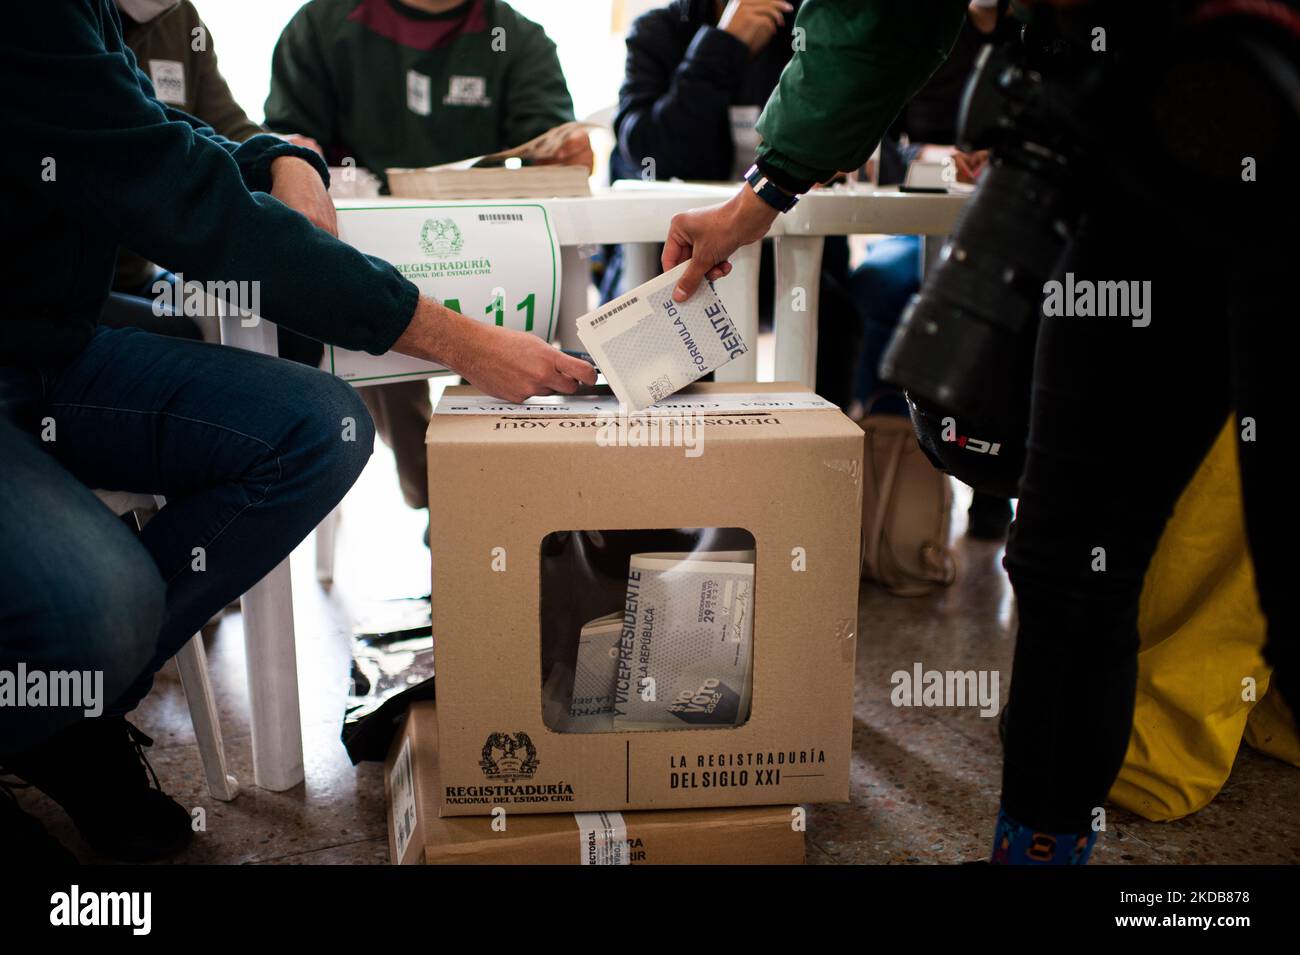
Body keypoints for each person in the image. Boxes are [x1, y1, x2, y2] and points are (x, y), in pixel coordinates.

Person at [661, 0, 1295, 864]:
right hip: (1167, 125)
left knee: (1075, 566)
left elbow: (874, 24)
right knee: (1081, 564)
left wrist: (766, 188)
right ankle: (1041, 842)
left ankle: (1039, 849)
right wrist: (762, 194)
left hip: (1142, 139)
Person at [0, 0, 594, 864]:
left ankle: (62, 713)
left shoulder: (99, 15)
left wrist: (273, 154)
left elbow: (159, 129)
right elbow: (185, 198)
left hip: (56, 343)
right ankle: (56, 695)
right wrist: (459, 338)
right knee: (105, 604)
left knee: (318, 424)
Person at [264, 0, 593, 527]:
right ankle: (453, 500)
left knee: (533, 333)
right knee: (379, 327)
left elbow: (548, 144)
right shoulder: (323, 25)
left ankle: (524, 508)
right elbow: (285, 142)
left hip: (495, 249)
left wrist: (566, 154)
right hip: (363, 249)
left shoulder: (516, 36)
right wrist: (290, 155)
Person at [611, 0, 859, 408]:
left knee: (832, 311)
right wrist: (723, 46)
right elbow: (654, 153)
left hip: (789, 250)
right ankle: (677, 463)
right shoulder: (660, 30)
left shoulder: (810, 27)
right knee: (672, 309)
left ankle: (821, 456)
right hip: (675, 253)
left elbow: (841, 139)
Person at [101, 0, 321, 342]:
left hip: (143, 273)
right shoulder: (68, 22)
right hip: (66, 287)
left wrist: (284, 155)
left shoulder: (181, 19)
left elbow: (226, 124)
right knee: (184, 332)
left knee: (293, 328)